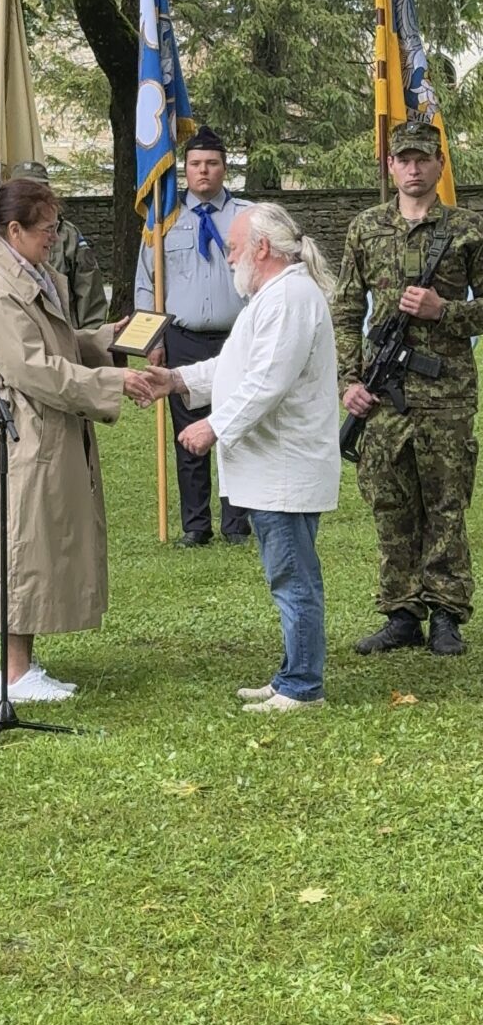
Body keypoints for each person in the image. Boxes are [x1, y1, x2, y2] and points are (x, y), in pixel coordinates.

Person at [0, 177, 151, 702]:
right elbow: (33, 368)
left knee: (37, 543)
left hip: (39, 427)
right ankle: (14, 673)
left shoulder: (31, 271)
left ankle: (24, 666)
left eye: (56, 226)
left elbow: (57, 343)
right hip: (15, 433)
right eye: (46, 229)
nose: (54, 237)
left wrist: (109, 338)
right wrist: (114, 381)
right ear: (13, 230)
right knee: (18, 543)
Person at [142, 203, 340, 711]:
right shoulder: (271, 297)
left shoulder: (291, 297)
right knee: (287, 572)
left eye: (233, 247)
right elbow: (234, 367)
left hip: (285, 465)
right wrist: (177, 380)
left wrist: (213, 426)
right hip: (272, 464)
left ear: (262, 248)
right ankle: (293, 673)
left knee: (293, 575)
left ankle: (303, 686)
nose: (227, 257)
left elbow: (266, 382)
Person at [333, 119, 483, 656]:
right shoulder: (365, 228)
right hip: (383, 393)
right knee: (391, 502)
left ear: (441, 164)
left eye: (424, 158)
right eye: (404, 159)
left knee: (445, 502)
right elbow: (347, 309)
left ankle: (446, 614)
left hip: (446, 395)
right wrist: (348, 381)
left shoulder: (468, 229)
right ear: (391, 166)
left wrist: (447, 311)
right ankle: (401, 612)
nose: (414, 168)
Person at [134, 125, 253, 547]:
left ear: (225, 168)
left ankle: (237, 522)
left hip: (236, 336)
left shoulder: (247, 217)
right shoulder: (164, 219)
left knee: (236, 425)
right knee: (187, 431)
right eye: (196, 164)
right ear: (184, 170)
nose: (204, 171)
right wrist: (152, 340)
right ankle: (195, 525)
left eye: (213, 164)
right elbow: (147, 283)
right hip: (182, 337)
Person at [0, 161, 107, 330]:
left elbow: (89, 291)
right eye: (25, 193)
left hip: (65, 338)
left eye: (38, 191)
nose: (33, 200)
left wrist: (93, 341)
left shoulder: (69, 235)